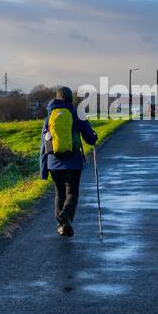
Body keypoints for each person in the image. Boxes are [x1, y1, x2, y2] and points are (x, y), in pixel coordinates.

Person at [40, 86, 98, 237]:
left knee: (59, 193)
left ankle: (62, 226)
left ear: (57, 98)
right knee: (72, 193)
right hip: (72, 162)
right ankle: (65, 217)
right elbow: (90, 139)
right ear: (70, 99)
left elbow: (43, 145)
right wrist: (94, 136)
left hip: (54, 162)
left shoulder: (50, 117)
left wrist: (43, 170)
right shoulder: (77, 114)